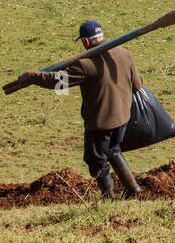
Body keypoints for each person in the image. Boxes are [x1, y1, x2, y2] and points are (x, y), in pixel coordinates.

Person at [19, 21, 143, 200]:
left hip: (100, 123)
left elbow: (59, 82)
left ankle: (108, 198)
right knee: (113, 150)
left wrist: (32, 77)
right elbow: (137, 85)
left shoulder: (86, 65)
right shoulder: (125, 54)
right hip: (123, 117)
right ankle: (133, 188)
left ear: (85, 42)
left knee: (95, 160)